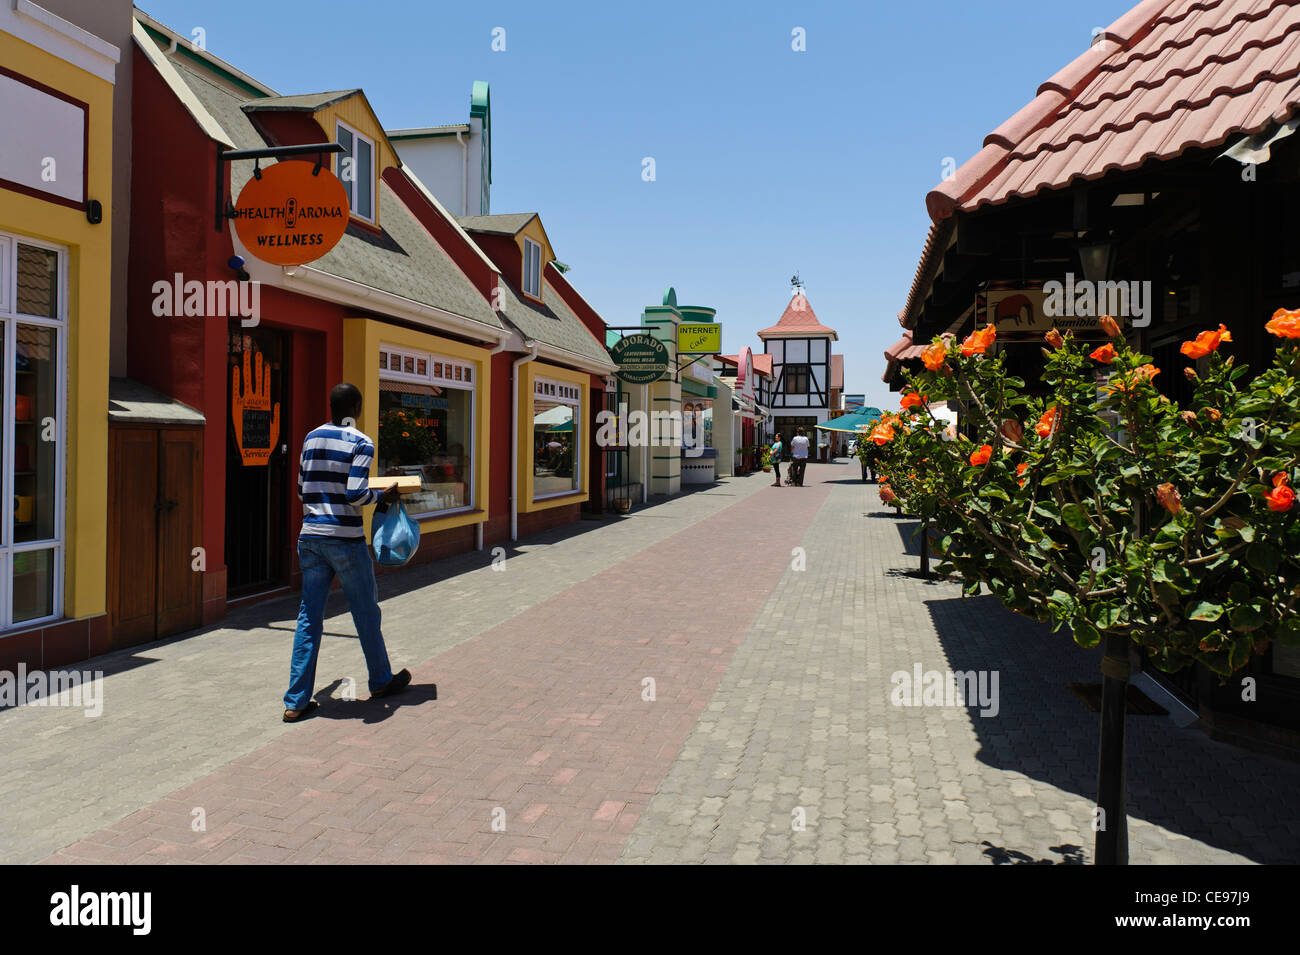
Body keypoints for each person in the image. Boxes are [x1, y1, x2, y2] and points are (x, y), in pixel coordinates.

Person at [283, 382, 411, 722]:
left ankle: (296, 701)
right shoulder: (361, 442)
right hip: (345, 539)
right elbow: (356, 493)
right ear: (356, 406)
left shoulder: (311, 438)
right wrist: (382, 497)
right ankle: (381, 680)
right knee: (365, 612)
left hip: (310, 537)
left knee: (309, 618)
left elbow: (300, 490)